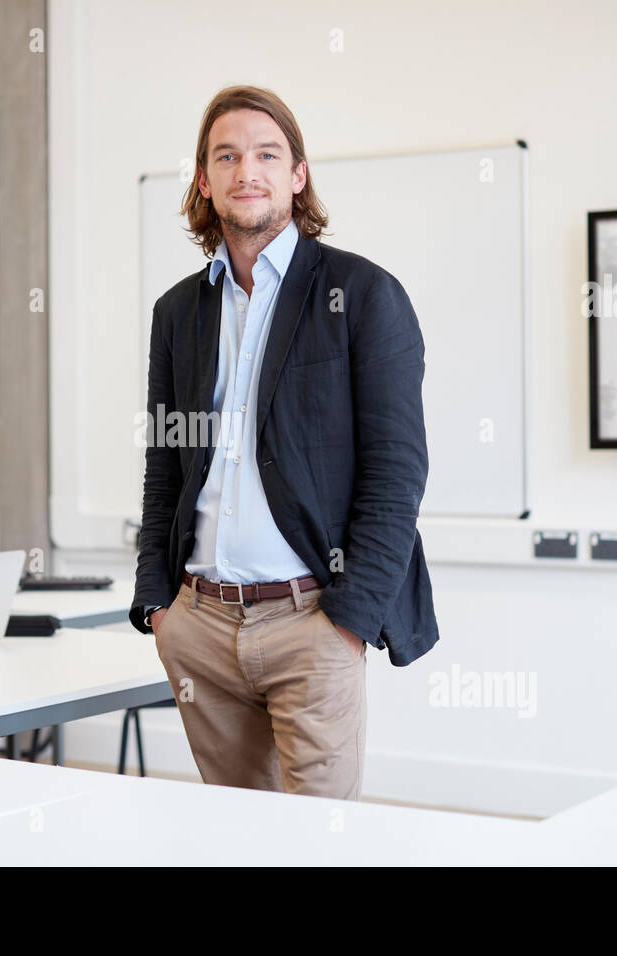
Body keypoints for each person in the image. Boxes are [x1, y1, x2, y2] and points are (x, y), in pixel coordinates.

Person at [130, 85, 440, 801]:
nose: (248, 172)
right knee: (237, 840)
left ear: (297, 175)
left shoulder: (362, 294)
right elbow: (163, 464)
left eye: (268, 154)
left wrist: (350, 621)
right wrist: (158, 605)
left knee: (318, 844)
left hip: (312, 624)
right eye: (227, 156)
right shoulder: (178, 312)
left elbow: (397, 474)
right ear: (204, 181)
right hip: (198, 627)